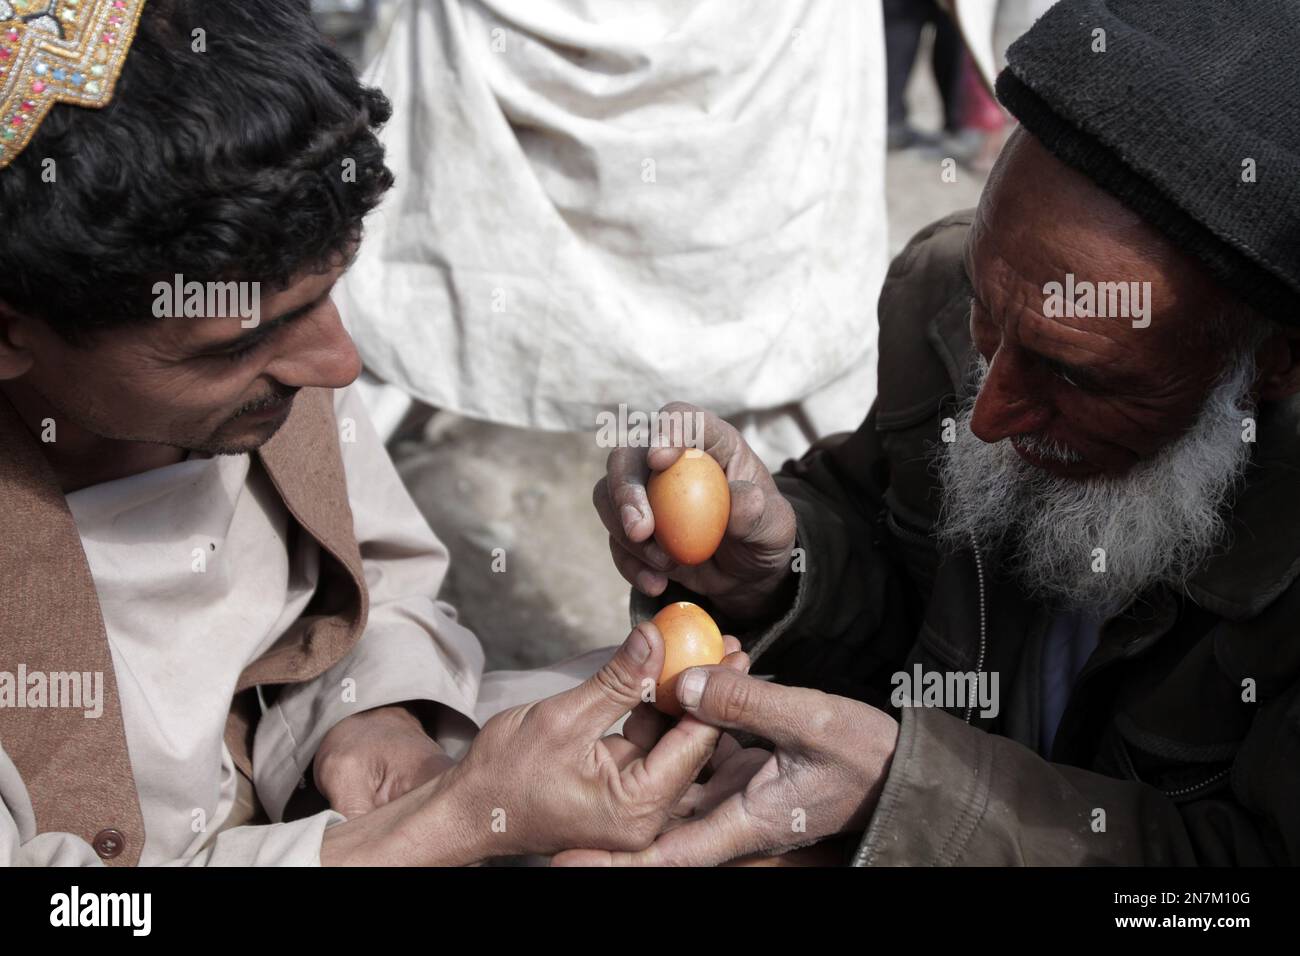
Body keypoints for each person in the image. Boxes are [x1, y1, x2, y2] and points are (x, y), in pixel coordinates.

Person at [0, 0, 743, 867]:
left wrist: (367, 714)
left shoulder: (270, 363)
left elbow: (375, 582)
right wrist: (446, 824)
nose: (340, 363)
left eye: (327, 292)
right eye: (242, 342)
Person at [584, 0, 1300, 865]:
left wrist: (914, 800)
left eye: (1074, 374)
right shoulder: (941, 300)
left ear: (1271, 363)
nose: (991, 417)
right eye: (988, 322)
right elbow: (892, 555)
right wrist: (778, 570)